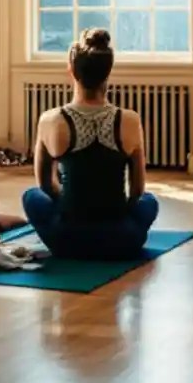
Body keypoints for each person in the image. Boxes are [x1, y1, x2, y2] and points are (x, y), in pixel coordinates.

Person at [23, 29, 158, 260]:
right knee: (150, 202)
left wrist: (70, 204)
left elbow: (46, 186)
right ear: (108, 73)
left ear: (71, 71)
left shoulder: (50, 120)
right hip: (120, 240)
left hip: (66, 239)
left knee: (31, 196)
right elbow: (137, 192)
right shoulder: (130, 120)